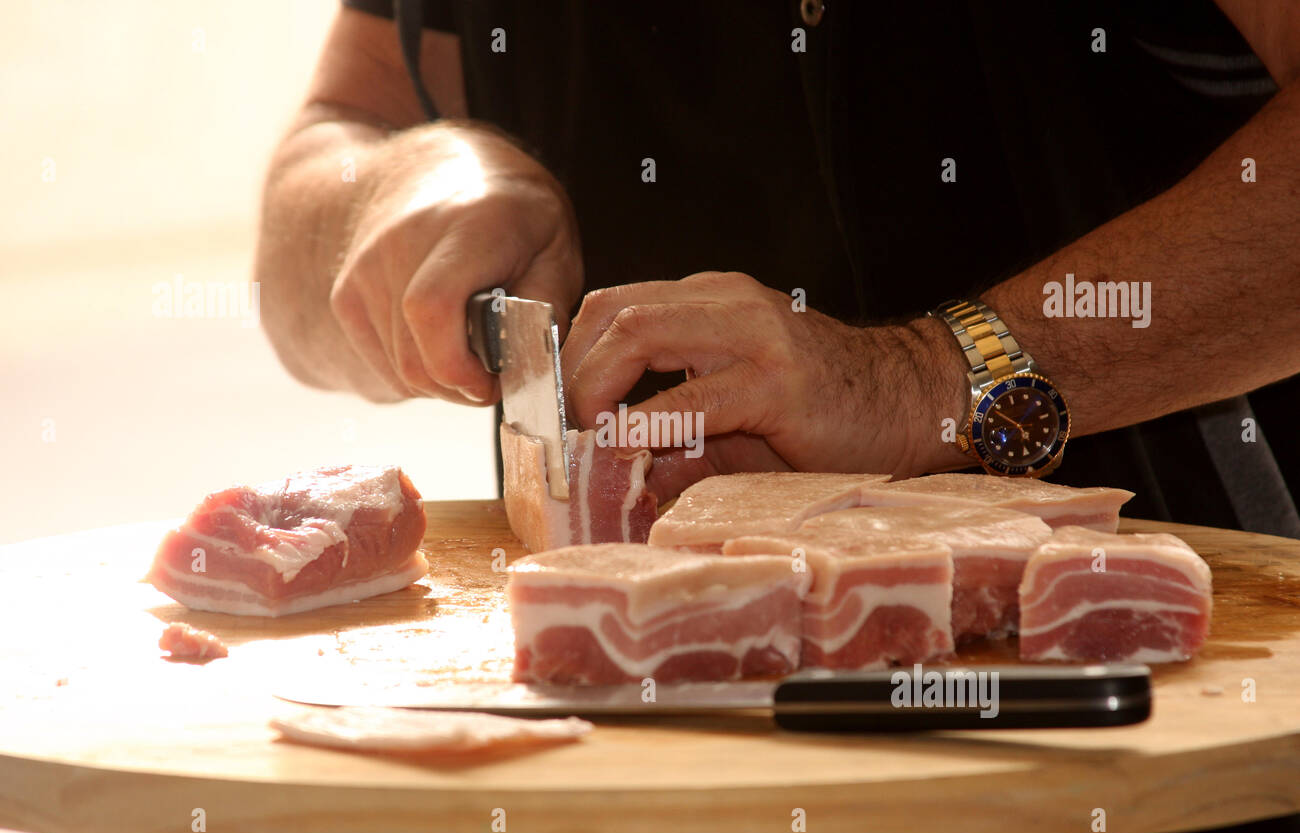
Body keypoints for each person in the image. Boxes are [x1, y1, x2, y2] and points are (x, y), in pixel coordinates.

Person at [256, 0, 1300, 533]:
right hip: (640, 746)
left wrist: (925, 381)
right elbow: (335, 144)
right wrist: (400, 183)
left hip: (1159, 736)